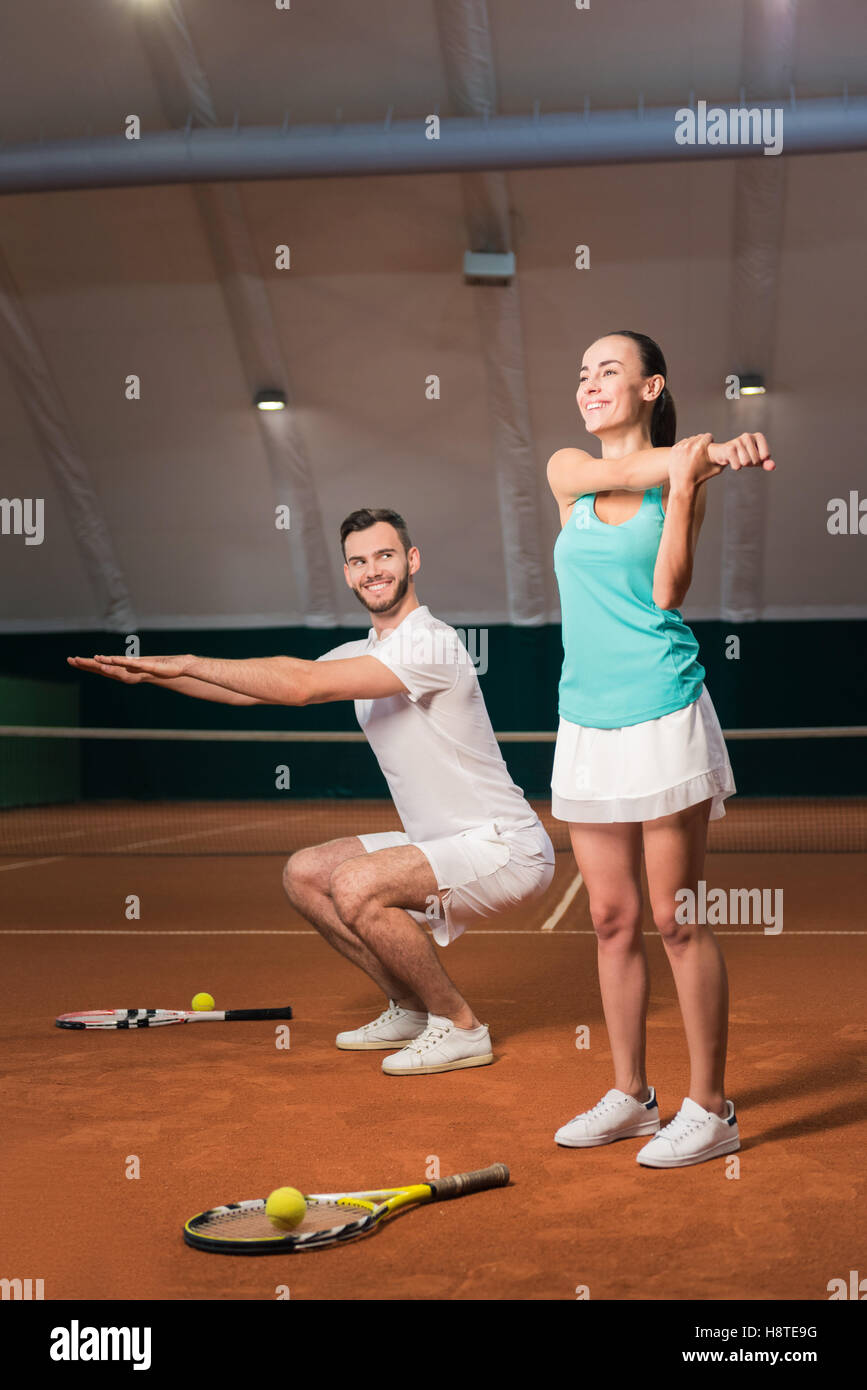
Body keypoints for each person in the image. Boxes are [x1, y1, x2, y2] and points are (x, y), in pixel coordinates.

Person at [68, 508, 555, 1077]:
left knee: (356, 884)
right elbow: (251, 693)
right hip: (440, 841)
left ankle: (461, 1027)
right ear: (349, 575)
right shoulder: (364, 652)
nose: (373, 570)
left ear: (411, 560)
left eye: (385, 556)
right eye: (359, 561)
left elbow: (300, 685)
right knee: (306, 873)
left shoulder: (433, 644)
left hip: (504, 847)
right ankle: (411, 1008)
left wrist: (190, 659)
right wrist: (157, 674)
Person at [546, 330, 775, 1167]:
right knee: (610, 919)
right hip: (584, 719)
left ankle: (710, 1109)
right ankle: (630, 1095)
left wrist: (685, 485)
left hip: (662, 709)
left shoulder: (683, 479)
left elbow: (668, 590)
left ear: (651, 386)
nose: (589, 382)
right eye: (582, 372)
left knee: (677, 918)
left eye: (609, 369)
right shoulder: (566, 470)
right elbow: (614, 472)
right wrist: (703, 451)